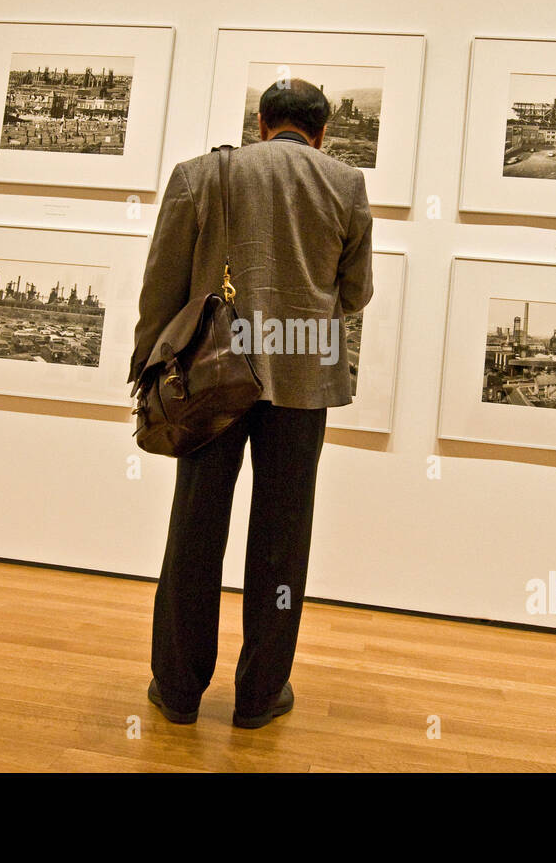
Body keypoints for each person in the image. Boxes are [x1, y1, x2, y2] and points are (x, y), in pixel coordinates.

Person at [128, 78, 374, 729]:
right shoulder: (346, 184)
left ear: (260, 121)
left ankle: (178, 691)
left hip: (211, 378)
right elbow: (355, 292)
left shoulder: (199, 174)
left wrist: (146, 367)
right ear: (322, 132)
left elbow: (163, 287)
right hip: (304, 381)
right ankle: (260, 696)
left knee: (195, 528)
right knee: (281, 539)